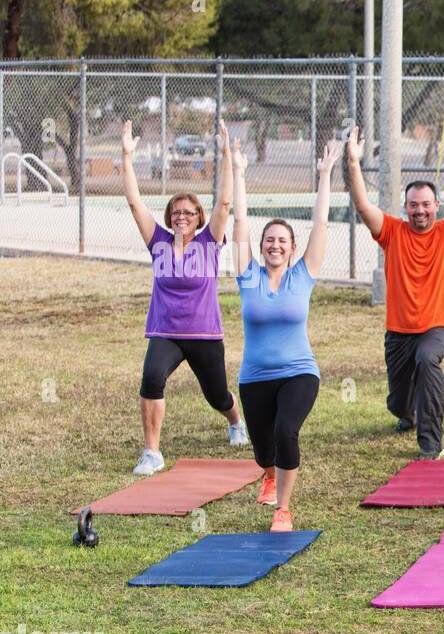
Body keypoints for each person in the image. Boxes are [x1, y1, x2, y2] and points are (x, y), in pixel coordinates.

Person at [344, 125, 444, 459]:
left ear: (437, 205)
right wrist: (353, 162)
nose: (420, 210)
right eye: (413, 205)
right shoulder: (391, 232)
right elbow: (363, 204)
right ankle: (406, 415)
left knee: (427, 363)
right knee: (397, 401)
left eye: (425, 204)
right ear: (404, 207)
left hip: (437, 328)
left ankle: (430, 443)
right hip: (398, 332)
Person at [120, 119, 248, 475]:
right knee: (151, 379)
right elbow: (133, 203)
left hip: (204, 333)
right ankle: (152, 452)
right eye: (176, 213)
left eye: (188, 213)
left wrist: (225, 155)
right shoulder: (158, 242)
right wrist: (127, 157)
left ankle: (235, 420)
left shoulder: (209, 242)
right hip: (165, 331)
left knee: (217, 395)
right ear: (169, 217)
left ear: (198, 218)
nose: (181, 217)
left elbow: (224, 202)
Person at [230, 136, 339, 532]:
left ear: (292, 249)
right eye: (269, 240)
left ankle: (284, 509)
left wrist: (325, 176)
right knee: (264, 450)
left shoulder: (303, 276)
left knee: (285, 430)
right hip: (255, 377)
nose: (275, 245)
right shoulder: (247, 276)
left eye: (282, 241)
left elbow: (321, 224)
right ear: (260, 248)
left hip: (299, 372)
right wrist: (239, 173)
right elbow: (239, 223)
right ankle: (270, 474)